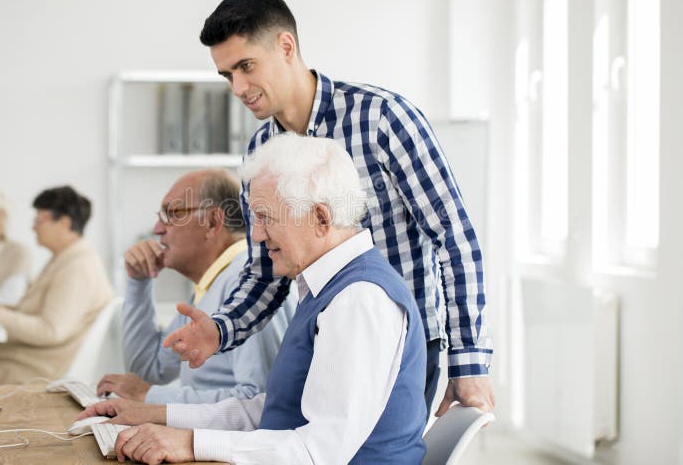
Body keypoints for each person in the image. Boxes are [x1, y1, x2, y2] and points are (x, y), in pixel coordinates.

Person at [166, 0, 495, 416]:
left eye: (246, 66)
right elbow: (263, 271)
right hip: (322, 339)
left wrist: (467, 361)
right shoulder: (259, 152)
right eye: (228, 75)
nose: (239, 87)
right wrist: (220, 329)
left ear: (287, 46)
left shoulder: (382, 119)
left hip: (404, 344)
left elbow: (454, 237)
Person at [80, 134, 427, 464]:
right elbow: (275, 409)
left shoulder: (359, 300)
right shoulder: (328, 286)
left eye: (265, 218)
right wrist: (157, 413)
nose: (256, 236)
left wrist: (188, 442)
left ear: (321, 217)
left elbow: (316, 453)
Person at [95, 169, 294, 404]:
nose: (157, 229)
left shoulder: (246, 284)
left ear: (212, 222)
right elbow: (148, 370)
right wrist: (138, 281)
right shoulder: (213, 282)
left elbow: (259, 401)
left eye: (173, 213)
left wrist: (149, 396)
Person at [0, 185, 112, 384]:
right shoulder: (65, 259)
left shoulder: (78, 267)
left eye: (39, 220)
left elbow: (51, 330)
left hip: (33, 370)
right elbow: (34, 311)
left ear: (64, 223)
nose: (33, 227)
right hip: (22, 360)